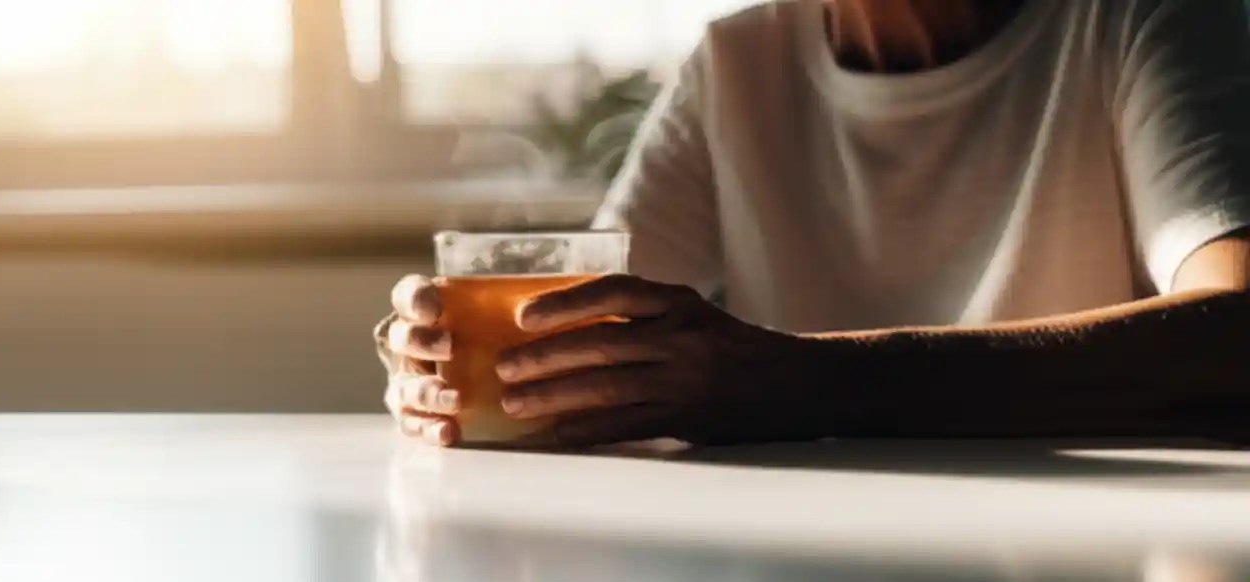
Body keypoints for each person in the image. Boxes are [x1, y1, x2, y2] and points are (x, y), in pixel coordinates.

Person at [376, 0, 1250, 448]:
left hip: (1104, 581)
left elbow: (1234, 331)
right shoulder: (737, 63)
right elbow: (596, 330)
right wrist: (451, 377)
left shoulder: (1137, 20)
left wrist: (801, 381)